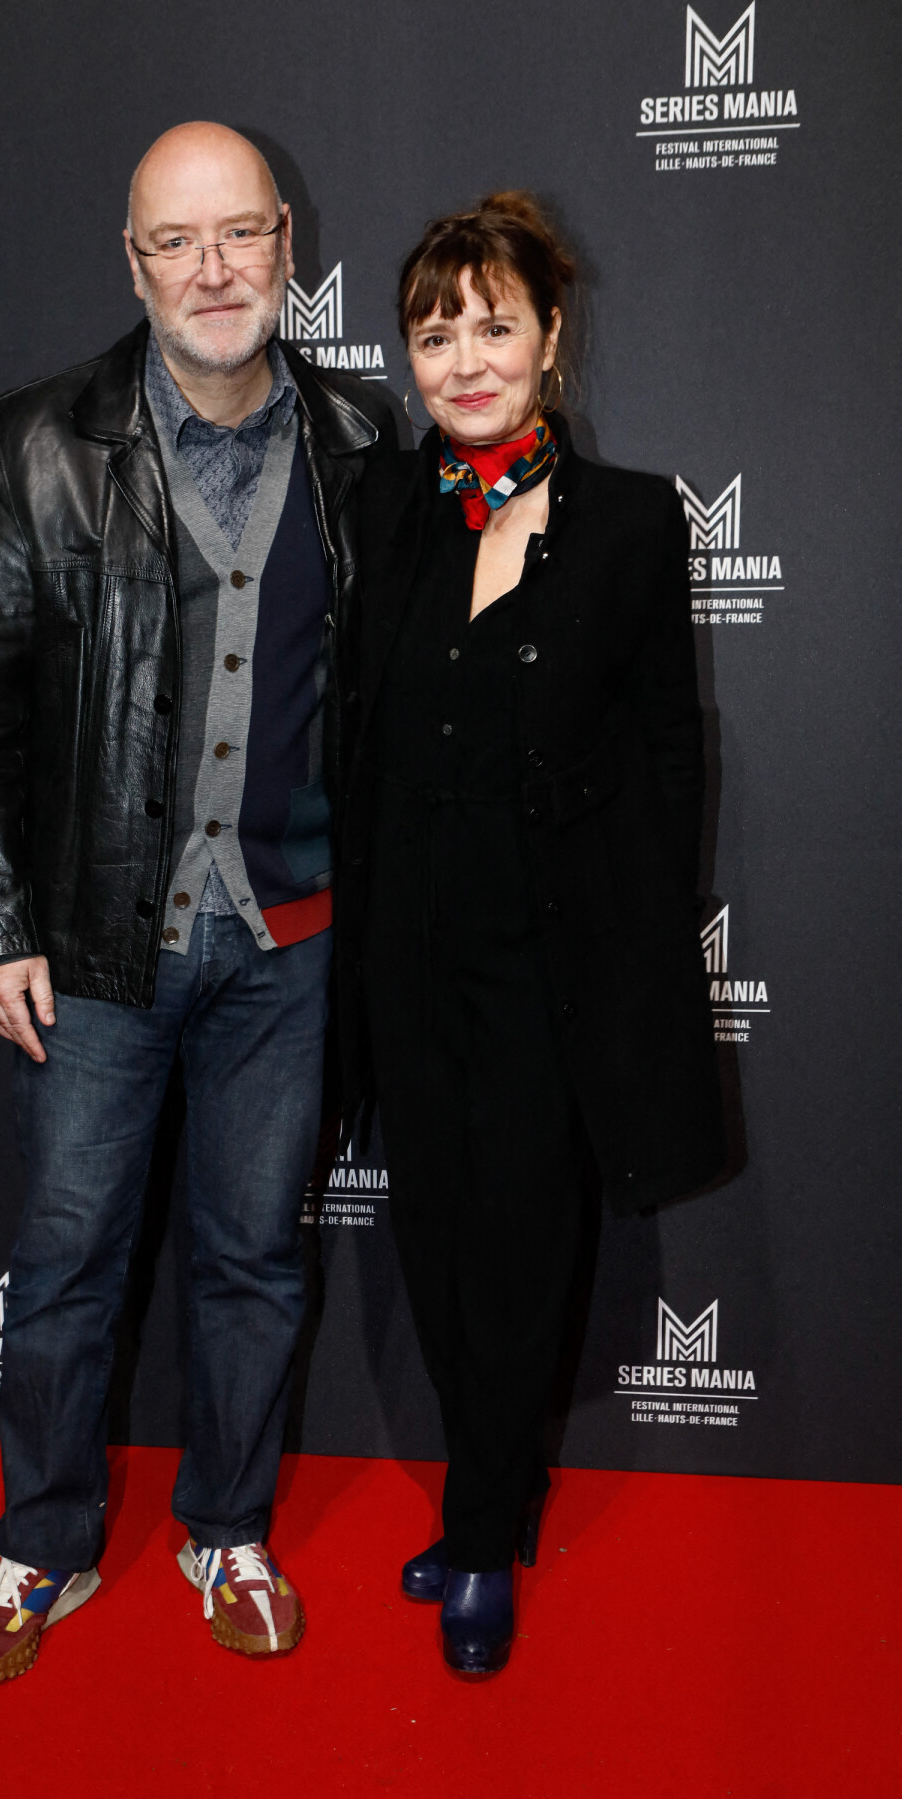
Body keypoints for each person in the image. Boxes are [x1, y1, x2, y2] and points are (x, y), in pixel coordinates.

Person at [0, 121, 394, 1686]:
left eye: (241, 235)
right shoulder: (36, 443)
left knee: (256, 1256)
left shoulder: (361, 442)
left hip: (295, 943)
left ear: (287, 241)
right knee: (67, 1256)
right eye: (175, 242)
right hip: (101, 948)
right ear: (132, 263)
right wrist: (0, 921)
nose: (213, 270)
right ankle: (41, 1548)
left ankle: (228, 1527)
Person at [336, 192, 726, 1676]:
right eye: (436, 334)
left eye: (495, 327)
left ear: (552, 338)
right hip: (404, 958)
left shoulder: (632, 521)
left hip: (552, 967)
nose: (464, 360)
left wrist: (645, 945)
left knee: (521, 1248)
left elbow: (670, 756)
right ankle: (484, 1495)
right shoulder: (382, 509)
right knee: (432, 1245)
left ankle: (485, 1535)